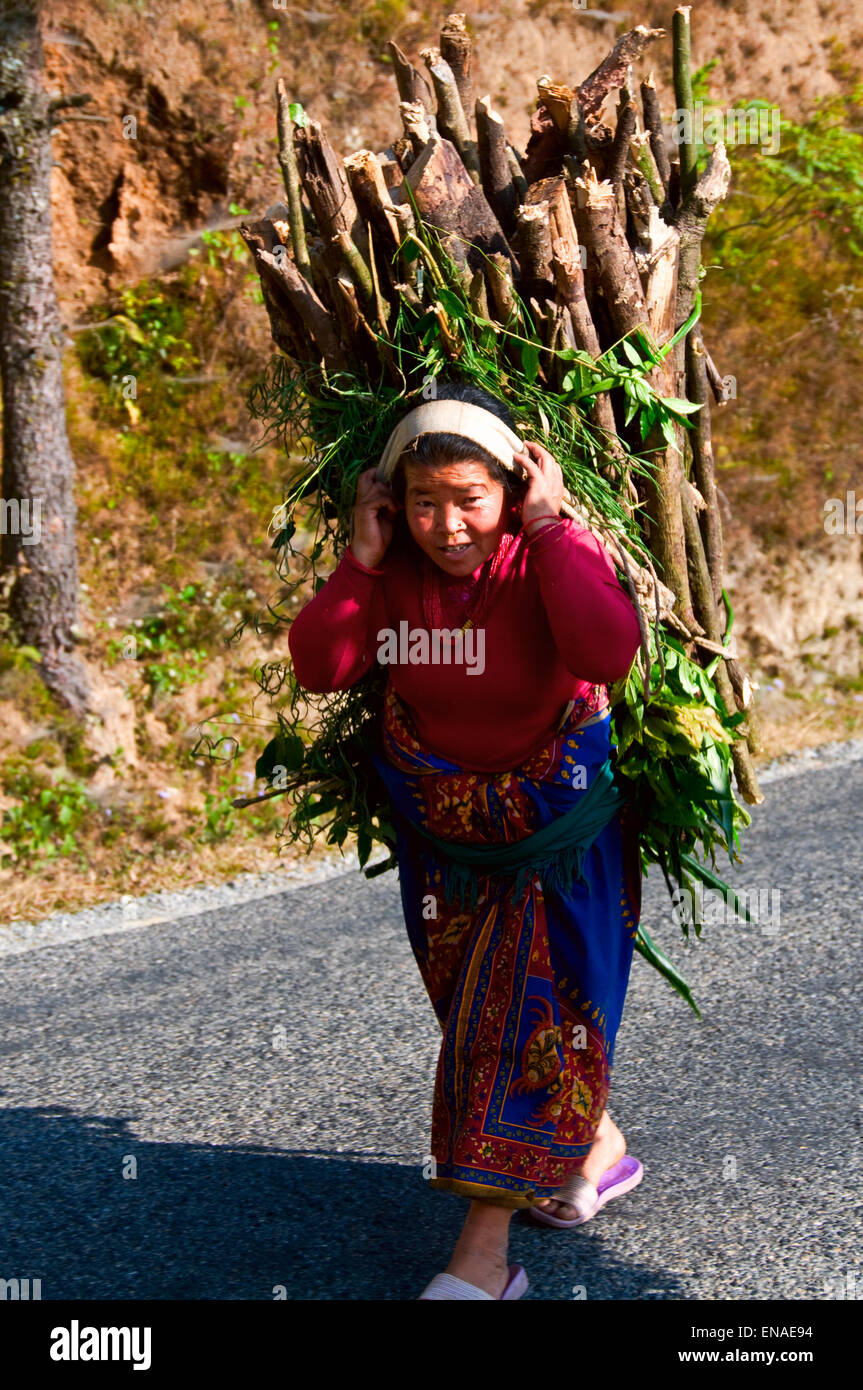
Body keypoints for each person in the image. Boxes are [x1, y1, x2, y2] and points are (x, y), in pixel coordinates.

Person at [288, 381, 646, 1300]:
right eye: (423, 504)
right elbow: (322, 669)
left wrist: (556, 529)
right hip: (443, 838)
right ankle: (593, 1146)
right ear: (390, 504)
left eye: (470, 501)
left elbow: (607, 654)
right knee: (477, 1012)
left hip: (556, 839)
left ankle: (481, 1262)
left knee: (516, 1025)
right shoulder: (393, 571)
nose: (448, 527)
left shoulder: (546, 555)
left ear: (514, 491)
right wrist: (363, 562)